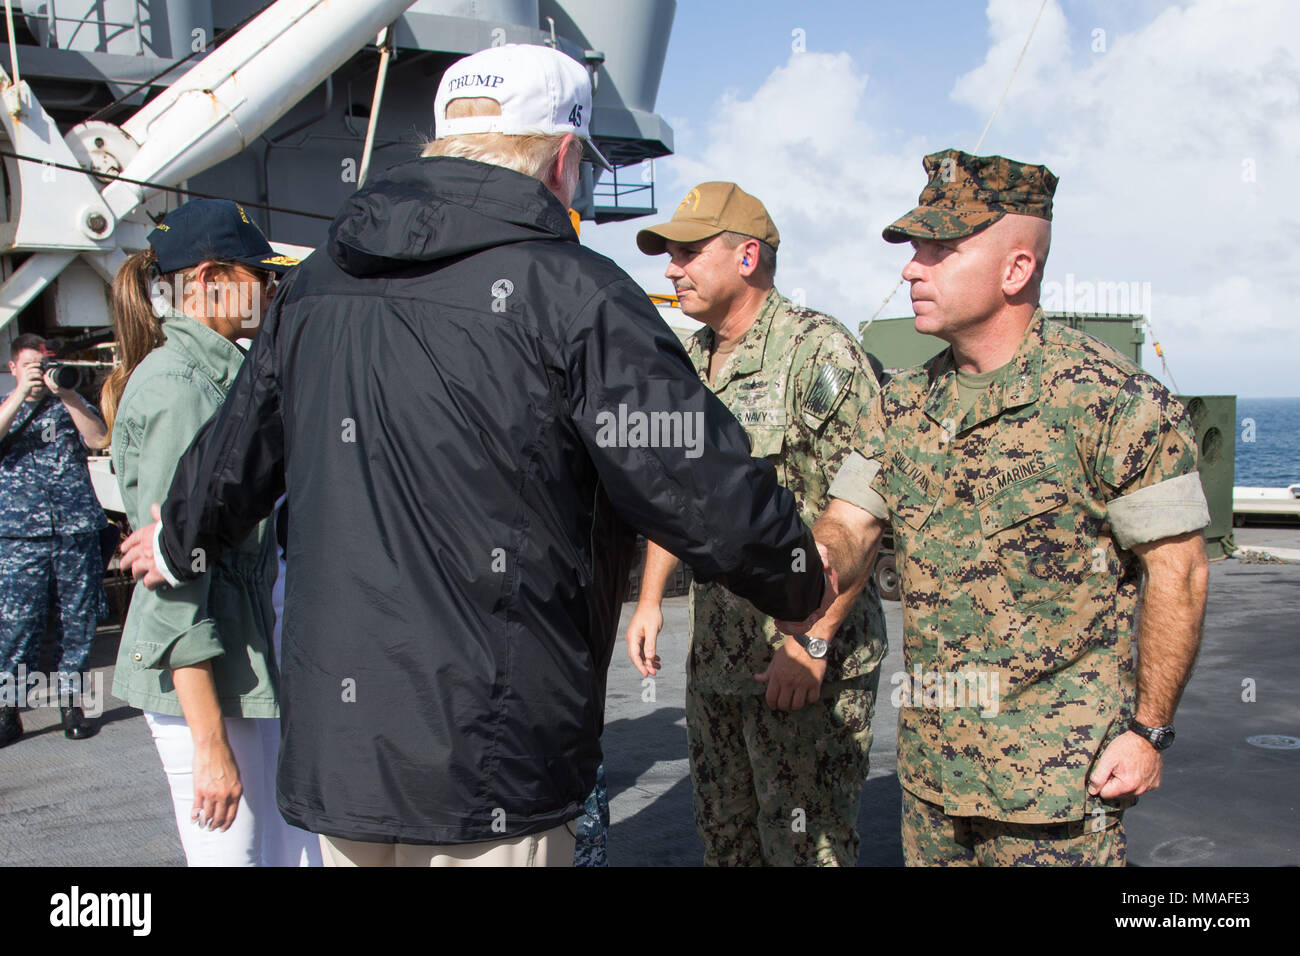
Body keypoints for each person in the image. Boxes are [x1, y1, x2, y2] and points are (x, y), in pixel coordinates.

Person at [117, 43, 834, 868]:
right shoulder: (574, 294)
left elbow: (232, 457)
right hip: (493, 756)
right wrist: (797, 583)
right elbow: (692, 477)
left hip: (345, 754)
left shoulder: (314, 290)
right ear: (563, 157)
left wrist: (175, 539)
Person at [811, 149, 1210, 866]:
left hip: (1058, 792)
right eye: (913, 250)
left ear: (1016, 270)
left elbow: (1178, 573)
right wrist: (810, 559)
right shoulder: (902, 403)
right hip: (932, 787)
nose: (911, 268)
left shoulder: (1112, 403)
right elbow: (850, 522)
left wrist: (1149, 733)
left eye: (939, 250)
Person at [626, 182, 888, 866]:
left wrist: (815, 642)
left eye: (687, 251)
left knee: (802, 850)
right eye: (668, 254)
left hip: (801, 663)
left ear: (747, 257)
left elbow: (867, 509)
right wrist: (652, 599)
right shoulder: (687, 363)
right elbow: (675, 497)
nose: (671, 268)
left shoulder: (817, 354)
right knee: (728, 846)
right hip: (719, 660)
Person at [103, 198, 308, 866]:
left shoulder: (224, 378)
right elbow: (172, 587)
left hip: (246, 669)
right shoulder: (178, 387)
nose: (273, 291)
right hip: (209, 689)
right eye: (263, 276)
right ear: (215, 278)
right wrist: (210, 745)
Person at [0, 333, 109, 745]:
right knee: (17, 626)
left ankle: (72, 706)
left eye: (43, 366)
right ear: (13, 368)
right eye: (31, 367)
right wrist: (18, 396)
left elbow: (98, 438)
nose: (39, 374)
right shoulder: (6, 409)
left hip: (74, 529)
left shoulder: (68, 406)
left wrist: (65, 395)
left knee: (76, 624)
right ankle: (9, 711)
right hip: (20, 536)